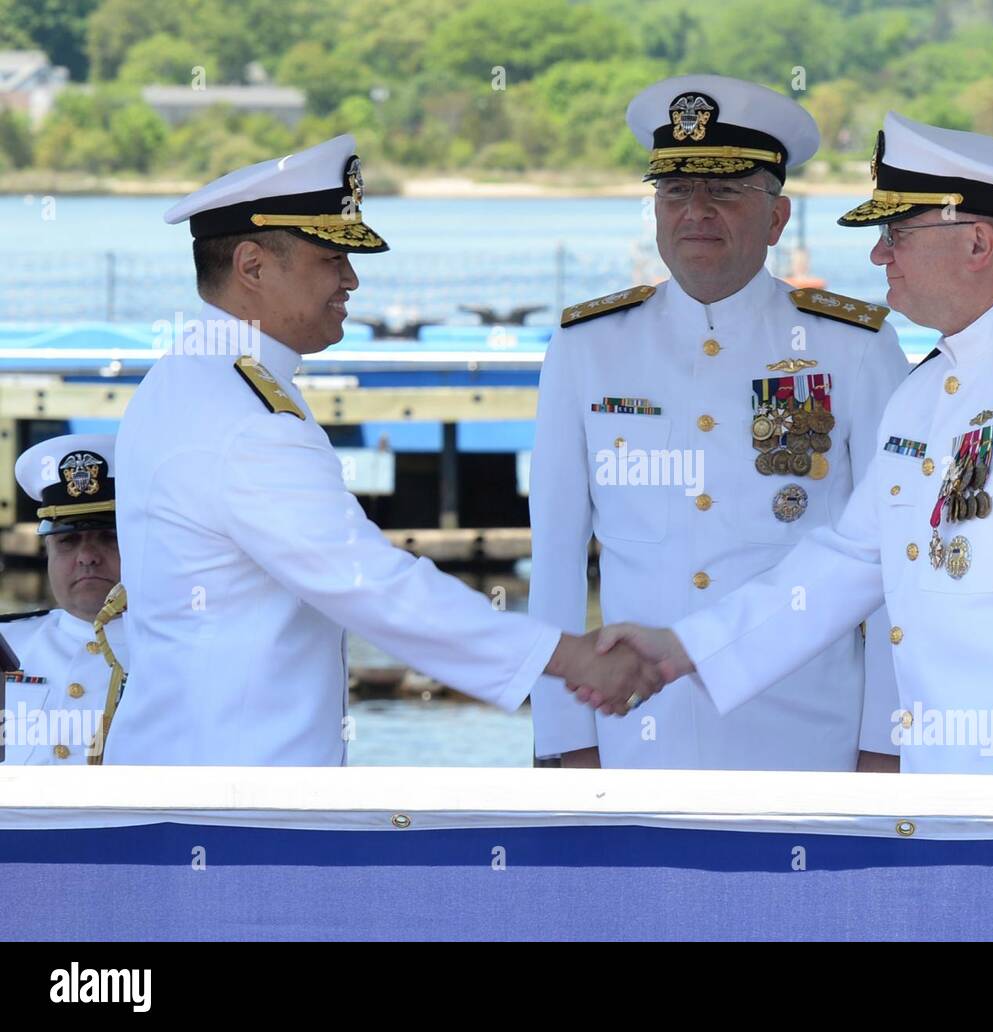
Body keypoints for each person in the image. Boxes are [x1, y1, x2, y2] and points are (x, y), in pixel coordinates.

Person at [586, 112, 993, 779]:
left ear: (978, 242)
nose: (878, 255)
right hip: (953, 808)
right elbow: (845, 563)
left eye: (896, 232)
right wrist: (681, 649)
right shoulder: (926, 391)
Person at [105, 134, 659, 765]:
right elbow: (370, 585)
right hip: (232, 808)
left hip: (202, 782)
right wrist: (567, 657)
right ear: (252, 267)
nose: (351, 278)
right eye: (331, 257)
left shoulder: (191, 377)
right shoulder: (246, 417)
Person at [528, 75, 908, 771]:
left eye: (726, 191)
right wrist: (562, 740)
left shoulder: (856, 346)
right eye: (675, 192)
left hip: (805, 732)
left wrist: (884, 744)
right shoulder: (588, 345)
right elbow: (553, 559)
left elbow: (888, 564)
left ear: (777, 218)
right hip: (637, 731)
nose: (696, 211)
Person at [2, 434, 124, 764]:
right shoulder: (8, 644)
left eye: (108, 537)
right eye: (68, 541)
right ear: (48, 554)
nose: (87, 556)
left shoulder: (177, 648)